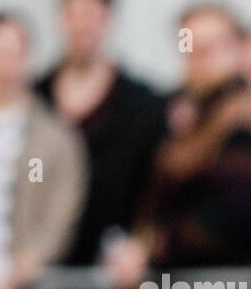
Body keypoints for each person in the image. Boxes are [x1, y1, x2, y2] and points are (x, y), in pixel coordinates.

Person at [104, 4, 251, 289]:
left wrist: (152, 248)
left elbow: (230, 219)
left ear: (237, 50)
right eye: (192, 49)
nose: (199, 61)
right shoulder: (190, 115)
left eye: (210, 48)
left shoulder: (246, 122)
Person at [35, 0, 166, 268]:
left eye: (93, 14)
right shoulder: (35, 99)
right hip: (40, 275)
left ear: (108, 19)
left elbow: (159, 189)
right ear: (62, 18)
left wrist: (143, 245)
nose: (84, 24)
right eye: (76, 13)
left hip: (112, 278)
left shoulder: (143, 105)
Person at [0, 12, 86, 289]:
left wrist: (28, 262)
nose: (6, 62)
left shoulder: (54, 137)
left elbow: (61, 211)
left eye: (13, 52)